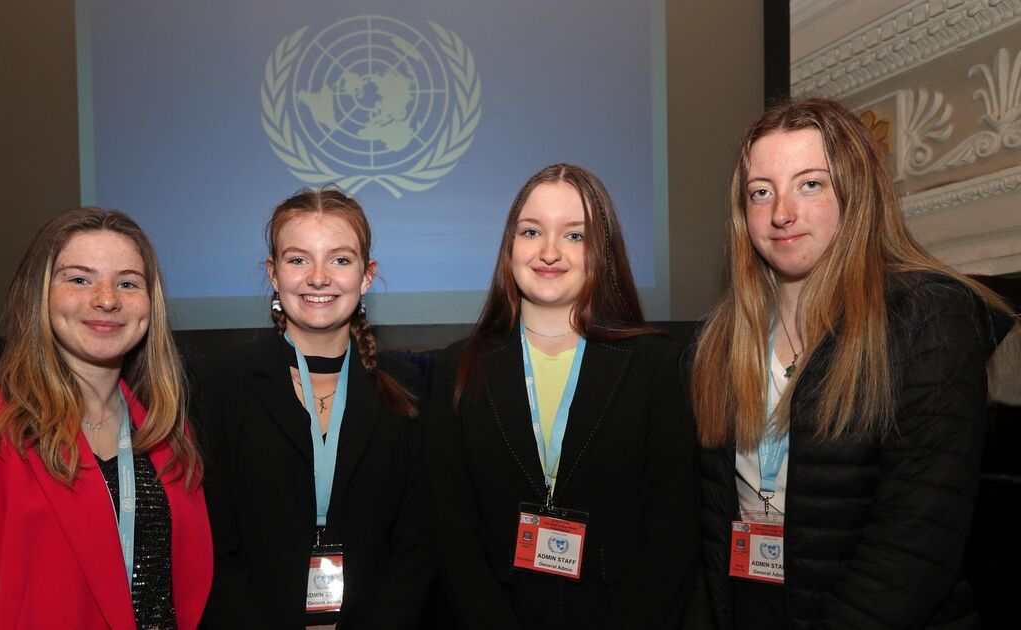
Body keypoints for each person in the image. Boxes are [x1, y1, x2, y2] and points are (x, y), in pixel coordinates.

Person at [691, 97, 1018, 629]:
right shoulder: (718, 341)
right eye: (761, 192)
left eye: (811, 184)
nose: (781, 213)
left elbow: (912, 549)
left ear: (856, 192)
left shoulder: (929, 321)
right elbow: (708, 528)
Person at [0, 208, 212, 629]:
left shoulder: (166, 433)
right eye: (79, 279)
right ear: (38, 294)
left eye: (128, 283)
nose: (107, 299)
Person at [425, 164, 699, 629]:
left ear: (603, 251)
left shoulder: (657, 366)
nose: (549, 251)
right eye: (532, 231)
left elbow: (672, 533)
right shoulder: (460, 367)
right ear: (510, 246)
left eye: (575, 236)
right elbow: (452, 534)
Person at [197, 189, 434, 629]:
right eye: (298, 259)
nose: (319, 278)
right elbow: (213, 545)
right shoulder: (220, 386)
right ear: (273, 273)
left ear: (367, 275)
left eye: (340, 260)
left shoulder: (409, 388)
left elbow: (416, 545)